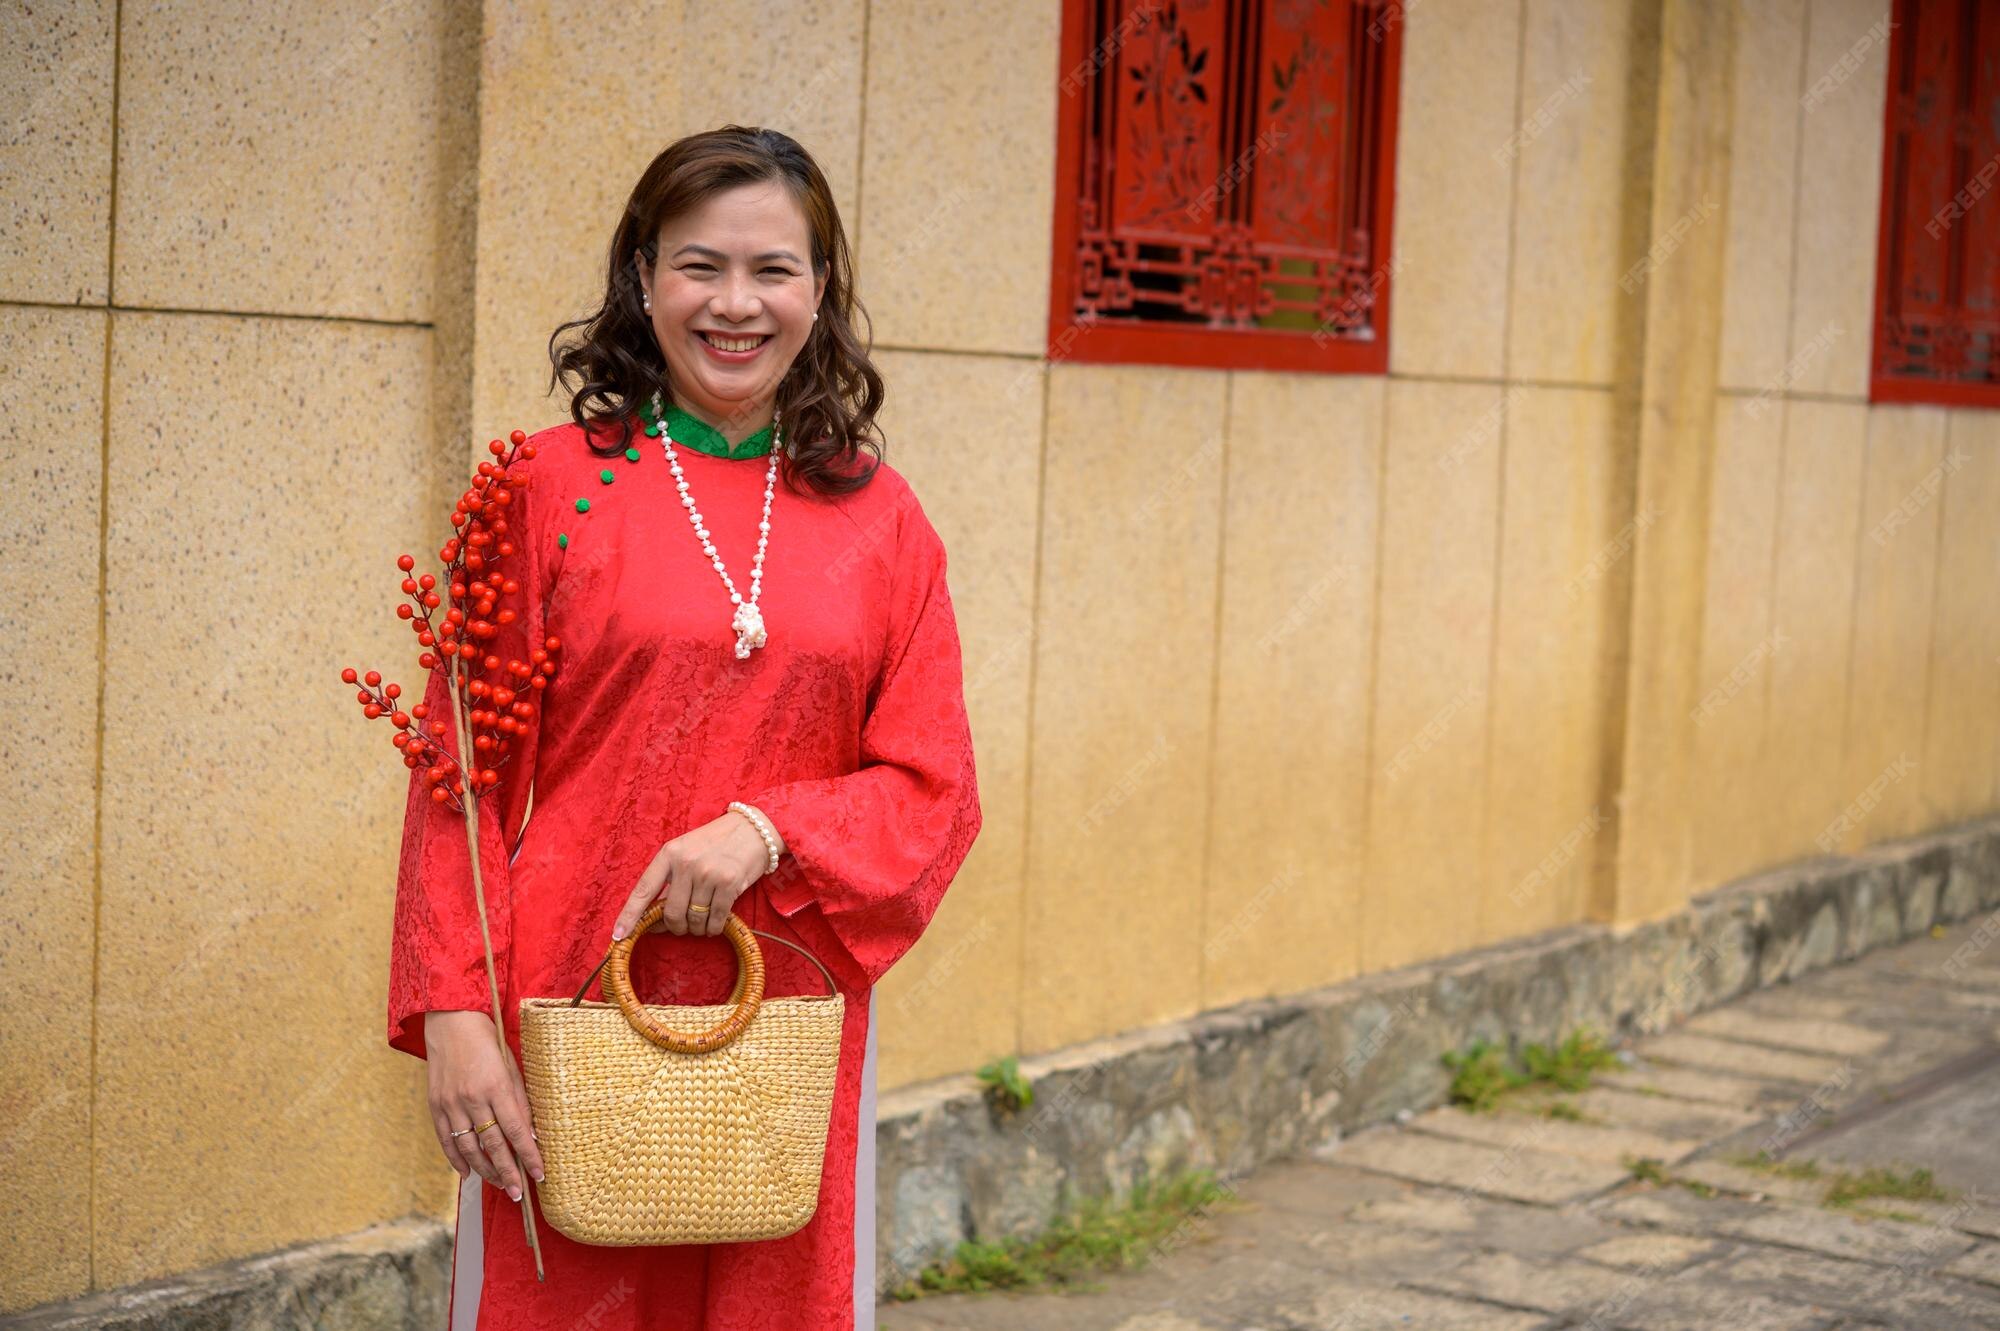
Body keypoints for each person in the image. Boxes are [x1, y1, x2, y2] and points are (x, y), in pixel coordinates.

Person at [386, 124, 983, 1330]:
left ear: (821, 289)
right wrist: (455, 1003)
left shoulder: (882, 520)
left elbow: (934, 785)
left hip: (785, 1005)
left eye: (774, 268)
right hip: (561, 999)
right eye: (698, 265)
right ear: (642, 279)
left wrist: (766, 830)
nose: (735, 303)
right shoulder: (546, 486)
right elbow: (463, 771)